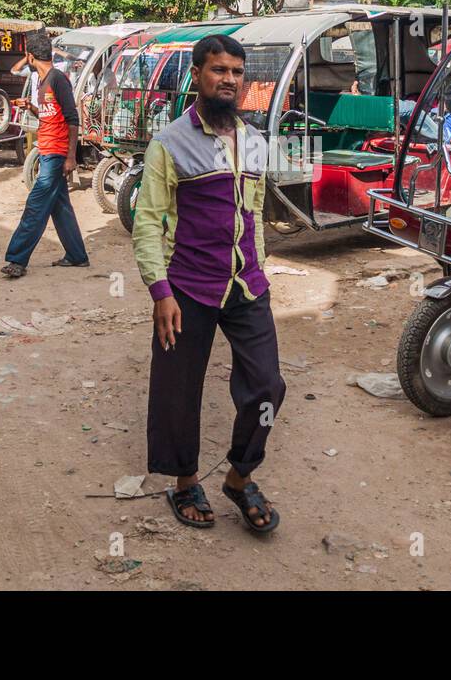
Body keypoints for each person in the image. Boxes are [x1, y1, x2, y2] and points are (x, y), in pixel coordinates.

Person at [132, 34, 285, 534]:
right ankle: (185, 482)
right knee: (178, 389)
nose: (229, 80)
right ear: (197, 75)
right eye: (219, 70)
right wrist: (160, 292)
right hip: (188, 288)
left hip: (246, 287)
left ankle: (239, 479)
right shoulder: (169, 143)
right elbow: (149, 221)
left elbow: (256, 214)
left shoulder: (256, 141)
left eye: (237, 72)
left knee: (267, 385)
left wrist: (261, 269)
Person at [0, 32, 89, 277]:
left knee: (35, 206)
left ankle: (17, 260)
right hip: (49, 150)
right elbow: (52, 116)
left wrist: (71, 157)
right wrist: (31, 107)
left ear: (30, 56)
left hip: (56, 154)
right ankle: (77, 255)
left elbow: (72, 120)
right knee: (60, 207)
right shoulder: (44, 80)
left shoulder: (58, 80)